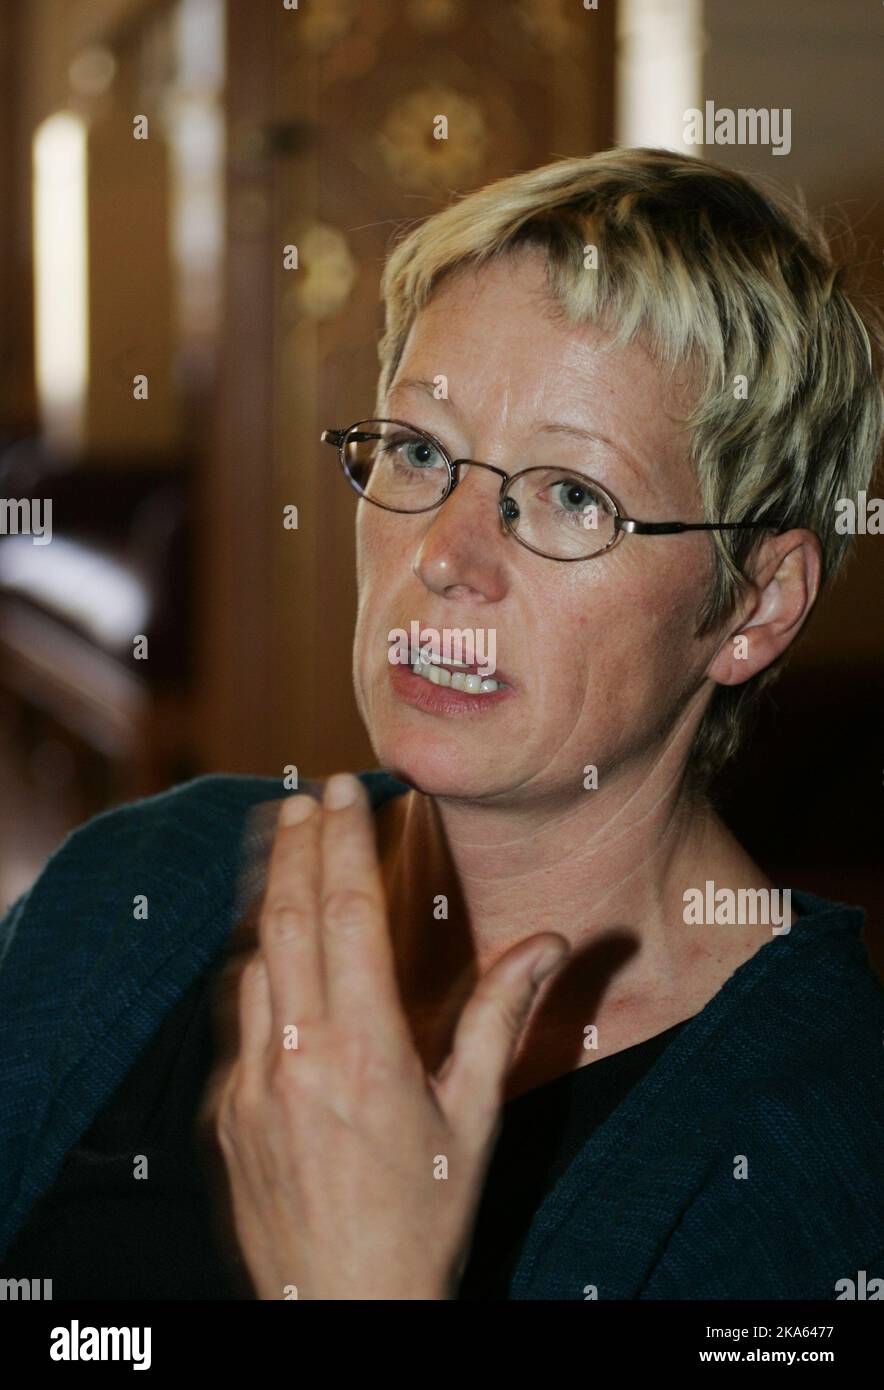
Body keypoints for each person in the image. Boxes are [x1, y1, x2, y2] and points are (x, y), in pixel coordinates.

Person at [1, 147, 882, 1300]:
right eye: (420, 451)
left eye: (573, 493)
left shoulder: (819, 1149)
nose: (443, 554)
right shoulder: (136, 878)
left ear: (754, 605)